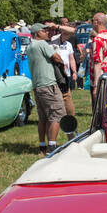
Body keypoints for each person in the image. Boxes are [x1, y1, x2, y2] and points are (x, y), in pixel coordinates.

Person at [26, 22, 68, 155]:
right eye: (44, 31)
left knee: (43, 117)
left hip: (38, 86)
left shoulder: (30, 46)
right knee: (57, 115)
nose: (47, 33)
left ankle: (42, 145)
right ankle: (52, 146)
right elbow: (57, 58)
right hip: (49, 85)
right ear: (38, 32)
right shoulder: (42, 44)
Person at [50, 25, 77, 125]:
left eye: (53, 30)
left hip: (65, 74)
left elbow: (71, 59)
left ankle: (70, 119)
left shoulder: (67, 44)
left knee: (66, 97)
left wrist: (74, 71)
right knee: (55, 98)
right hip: (54, 74)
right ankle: (57, 119)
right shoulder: (52, 40)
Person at [89, 13, 107, 97]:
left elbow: (97, 63)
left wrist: (96, 86)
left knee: (100, 108)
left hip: (101, 79)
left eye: (92, 20)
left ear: (97, 22)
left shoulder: (98, 39)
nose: (91, 23)